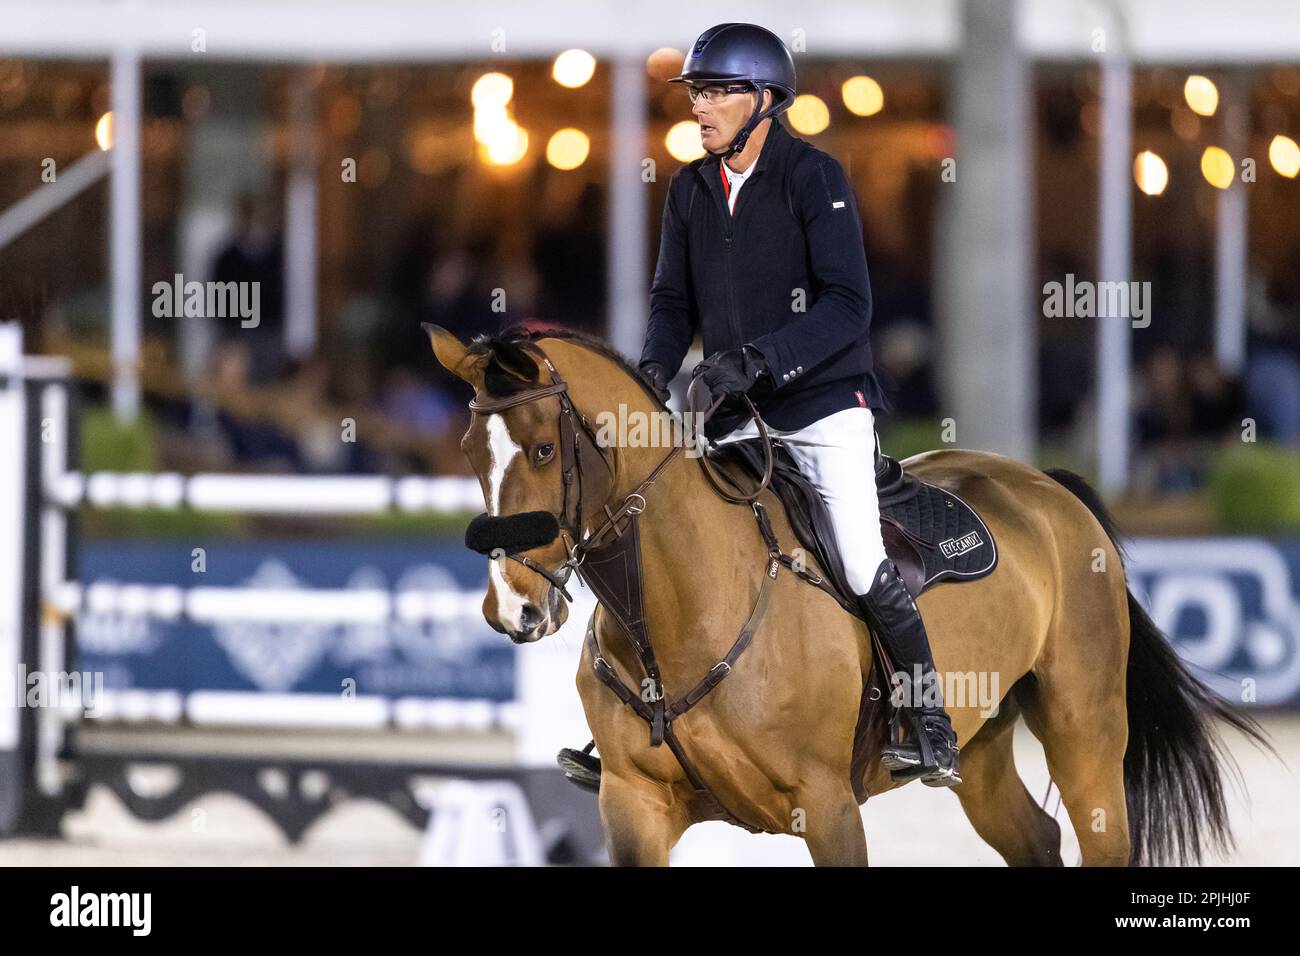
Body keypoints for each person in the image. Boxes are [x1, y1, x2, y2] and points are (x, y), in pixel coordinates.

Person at [562, 23, 959, 791]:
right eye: (697, 93)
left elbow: (849, 304)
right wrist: (651, 372)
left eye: (716, 93)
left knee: (854, 549)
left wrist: (759, 357)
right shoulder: (689, 188)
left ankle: (927, 718)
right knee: (659, 527)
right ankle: (629, 717)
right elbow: (672, 300)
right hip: (734, 412)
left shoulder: (814, 178)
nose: (701, 107)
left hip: (821, 405)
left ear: (765, 100)